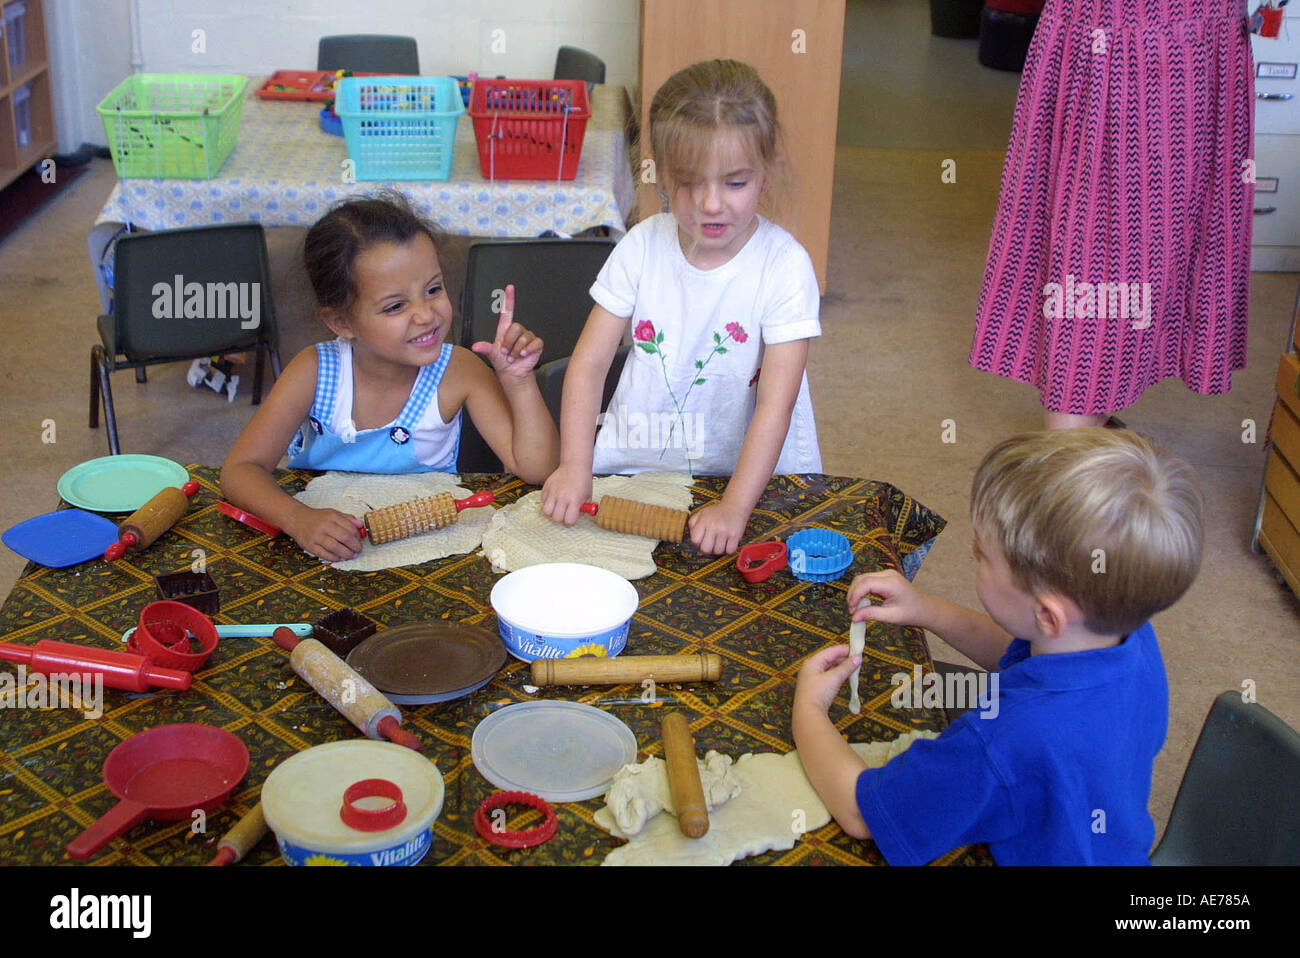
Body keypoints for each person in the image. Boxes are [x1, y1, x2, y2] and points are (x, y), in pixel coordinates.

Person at [793, 429, 1204, 864]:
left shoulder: (1005, 739)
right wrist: (926, 610)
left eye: (983, 554)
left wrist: (808, 710)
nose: (973, 552)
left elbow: (863, 812)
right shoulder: (1130, 637)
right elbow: (1020, 650)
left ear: (1047, 615)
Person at [541, 59, 822, 555]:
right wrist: (573, 465)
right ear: (663, 174)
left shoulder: (785, 266)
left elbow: (776, 406)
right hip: (641, 466)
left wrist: (735, 506)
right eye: (691, 182)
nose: (711, 204)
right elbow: (589, 364)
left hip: (751, 482)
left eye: (734, 182)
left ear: (766, 171)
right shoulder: (641, 245)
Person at [221, 195, 558, 562]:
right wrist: (298, 519)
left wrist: (519, 382)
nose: (426, 315)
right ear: (341, 323)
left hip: (423, 552)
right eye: (396, 306)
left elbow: (537, 470)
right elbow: (240, 470)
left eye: (433, 289)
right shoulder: (314, 371)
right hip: (321, 551)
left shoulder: (460, 370)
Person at [970, 0, 1253, 428]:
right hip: (1143, 40)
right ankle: (1069, 464)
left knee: (1120, 250)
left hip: (1175, 35)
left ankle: (1086, 427)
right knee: (1103, 255)